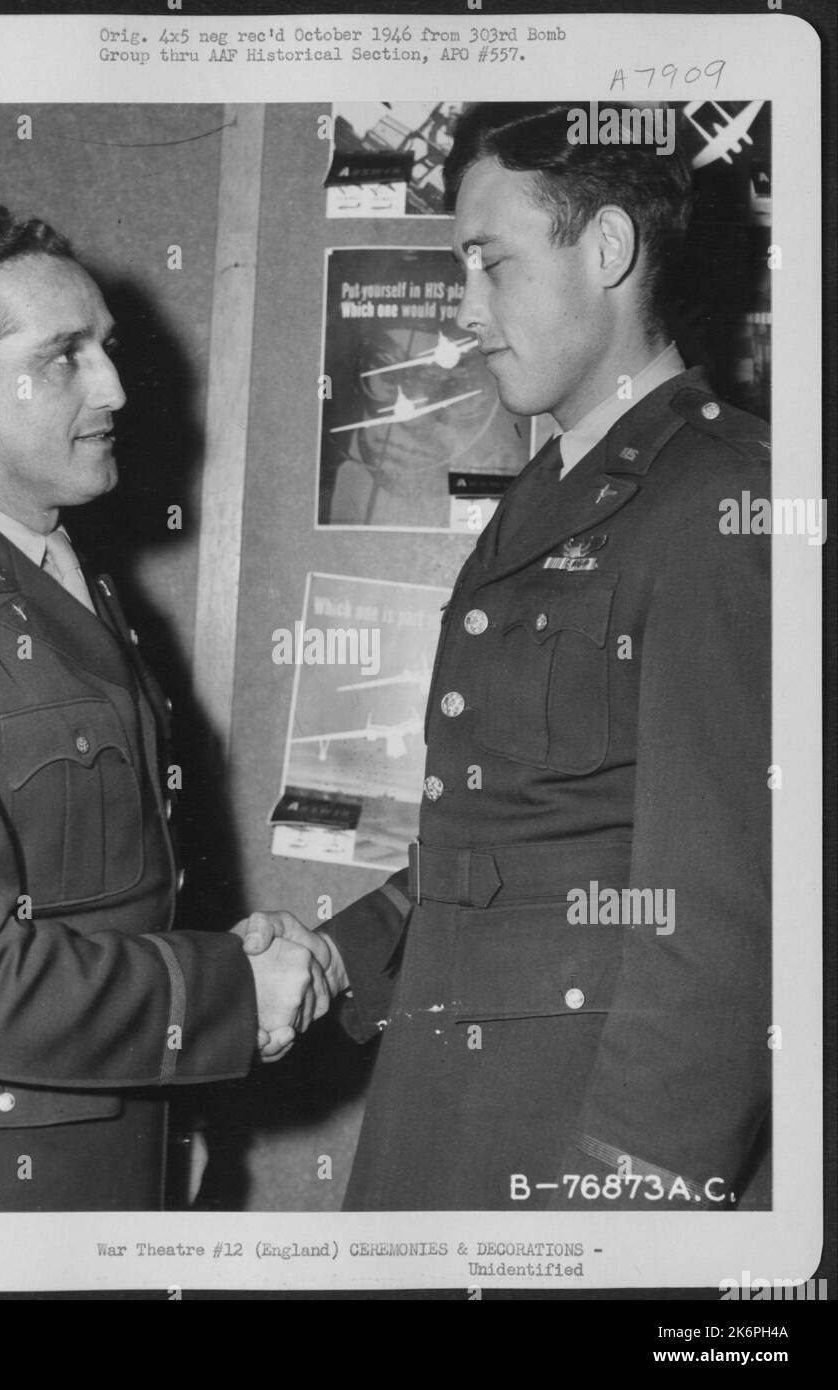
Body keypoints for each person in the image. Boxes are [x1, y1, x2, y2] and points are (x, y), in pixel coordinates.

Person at [246, 104, 772, 1211]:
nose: (468, 313)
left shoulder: (720, 495)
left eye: (491, 265)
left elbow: (724, 892)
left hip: (579, 1140)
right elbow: (514, 841)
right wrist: (345, 955)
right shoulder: (558, 486)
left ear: (610, 248)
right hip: (457, 1095)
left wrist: (638, 1188)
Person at [0, 206, 326, 1212]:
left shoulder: (48, 570)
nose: (117, 388)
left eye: (108, 349)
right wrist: (227, 993)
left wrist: (209, 984)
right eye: (63, 357)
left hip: (109, 1152)